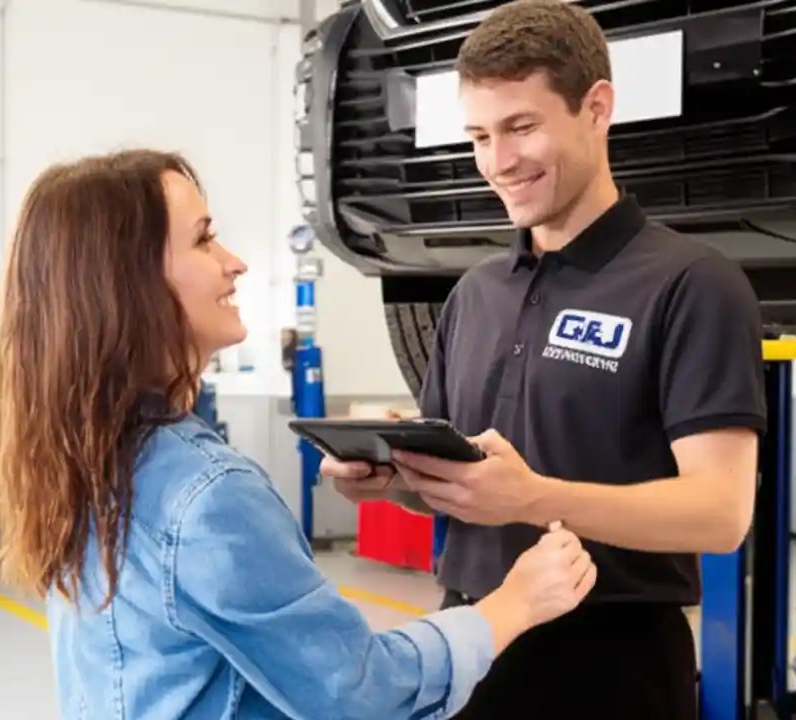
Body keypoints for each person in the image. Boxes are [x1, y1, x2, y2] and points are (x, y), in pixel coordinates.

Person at [0, 149, 598, 719]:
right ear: (129, 286)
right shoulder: (207, 494)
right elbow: (361, 693)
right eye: (205, 240)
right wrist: (511, 605)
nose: (234, 263)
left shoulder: (83, 459)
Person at [321, 1, 768, 718]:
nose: (498, 163)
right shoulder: (474, 294)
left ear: (597, 108)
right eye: (479, 136)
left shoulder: (691, 284)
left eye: (522, 127)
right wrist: (391, 481)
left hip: (613, 666)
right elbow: (468, 490)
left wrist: (534, 498)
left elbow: (719, 514)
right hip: (471, 643)